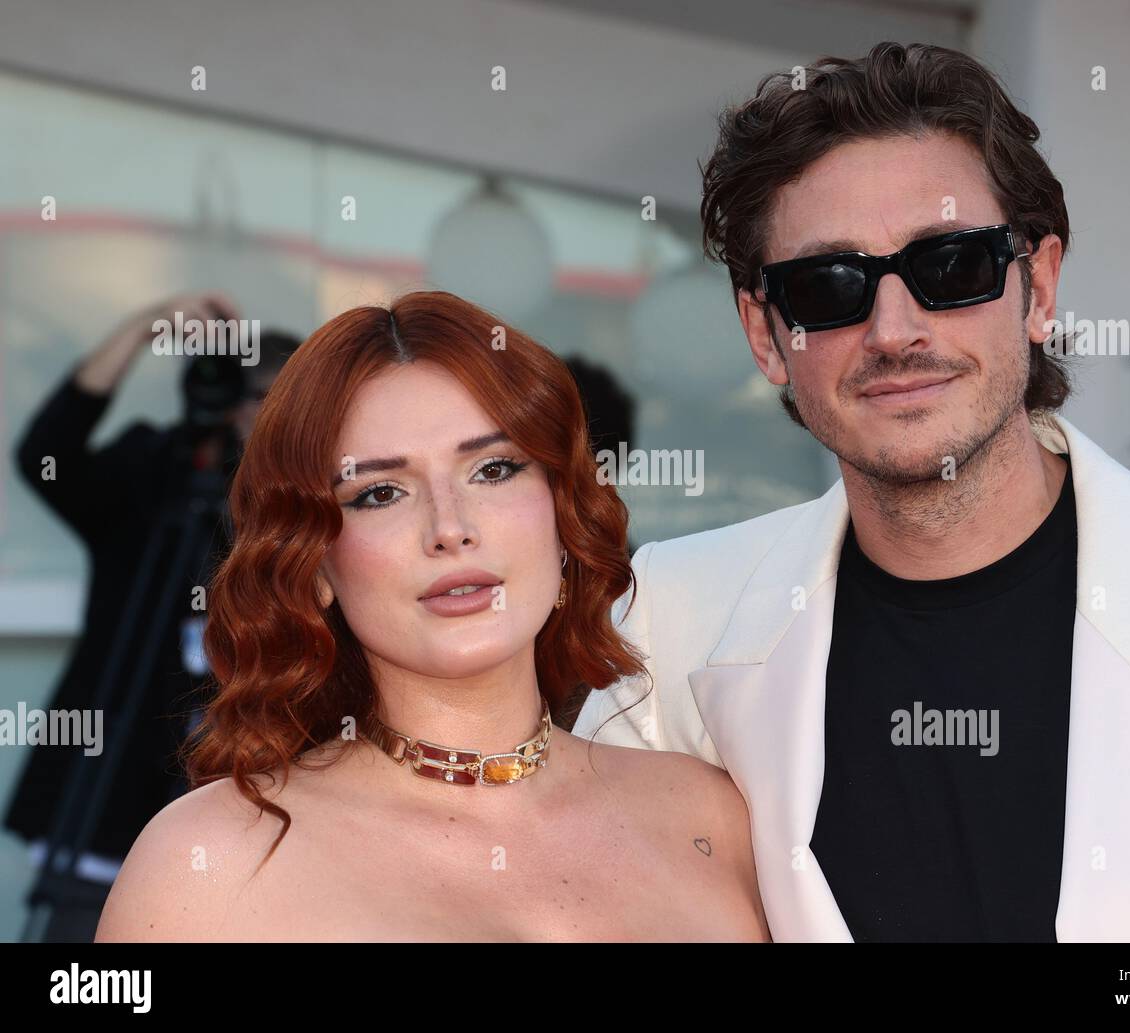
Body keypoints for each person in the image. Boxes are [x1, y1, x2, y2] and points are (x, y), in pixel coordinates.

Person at [574, 42, 1130, 942]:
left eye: (950, 265)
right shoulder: (672, 622)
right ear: (766, 334)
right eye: (826, 285)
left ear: (1038, 287)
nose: (893, 329)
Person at [94, 290, 768, 942]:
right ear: (316, 564)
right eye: (380, 492)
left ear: (564, 515)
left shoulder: (711, 814)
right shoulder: (209, 863)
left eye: (495, 469)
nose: (450, 528)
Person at [4, 292, 300, 942]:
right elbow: (46, 454)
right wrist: (143, 327)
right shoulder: (159, 469)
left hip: (238, 815)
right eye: (251, 395)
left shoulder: (311, 515)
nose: (262, 415)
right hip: (106, 797)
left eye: (285, 401)